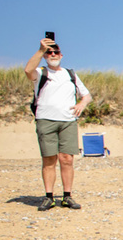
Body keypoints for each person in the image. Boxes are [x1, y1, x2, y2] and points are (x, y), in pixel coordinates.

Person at [24, 38, 92, 211]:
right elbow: (27, 70)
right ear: (45, 56)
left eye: (55, 52)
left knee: (67, 159)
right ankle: (49, 197)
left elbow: (86, 95)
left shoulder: (71, 74)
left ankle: (67, 196)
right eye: (49, 52)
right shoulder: (41, 72)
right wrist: (40, 50)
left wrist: (81, 105)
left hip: (68, 121)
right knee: (49, 159)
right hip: (45, 120)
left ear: (61, 55)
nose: (52, 54)